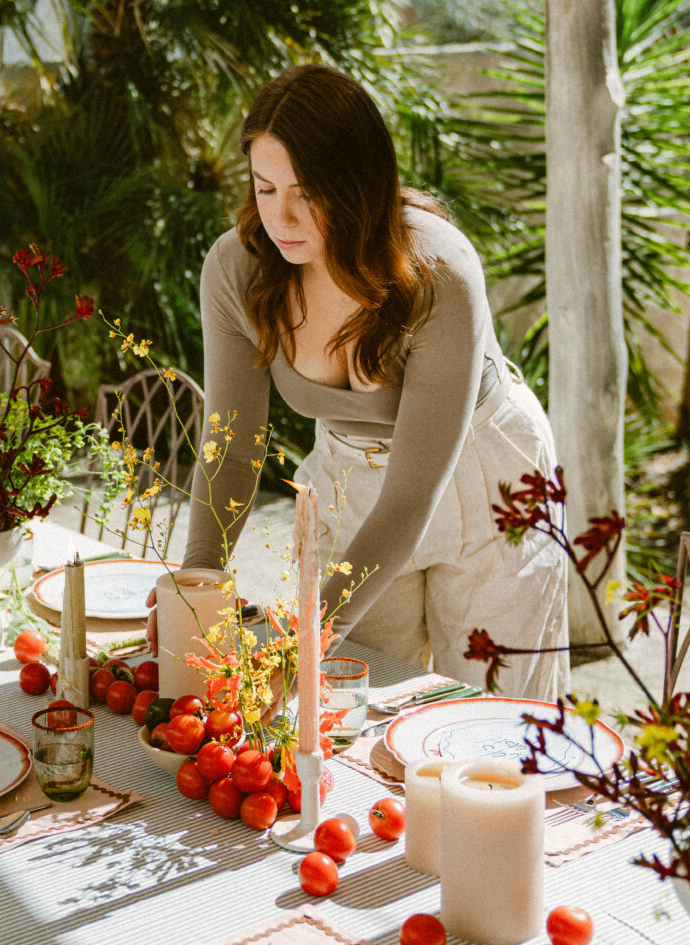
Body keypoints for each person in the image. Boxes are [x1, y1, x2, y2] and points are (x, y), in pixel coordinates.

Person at [177, 63, 568, 701]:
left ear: (357, 183)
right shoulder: (237, 271)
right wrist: (197, 585)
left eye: (307, 192)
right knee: (345, 708)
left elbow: (411, 495)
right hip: (351, 479)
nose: (283, 217)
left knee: (490, 724)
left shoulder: (438, 268)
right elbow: (233, 448)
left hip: (487, 480)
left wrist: (305, 634)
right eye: (265, 187)